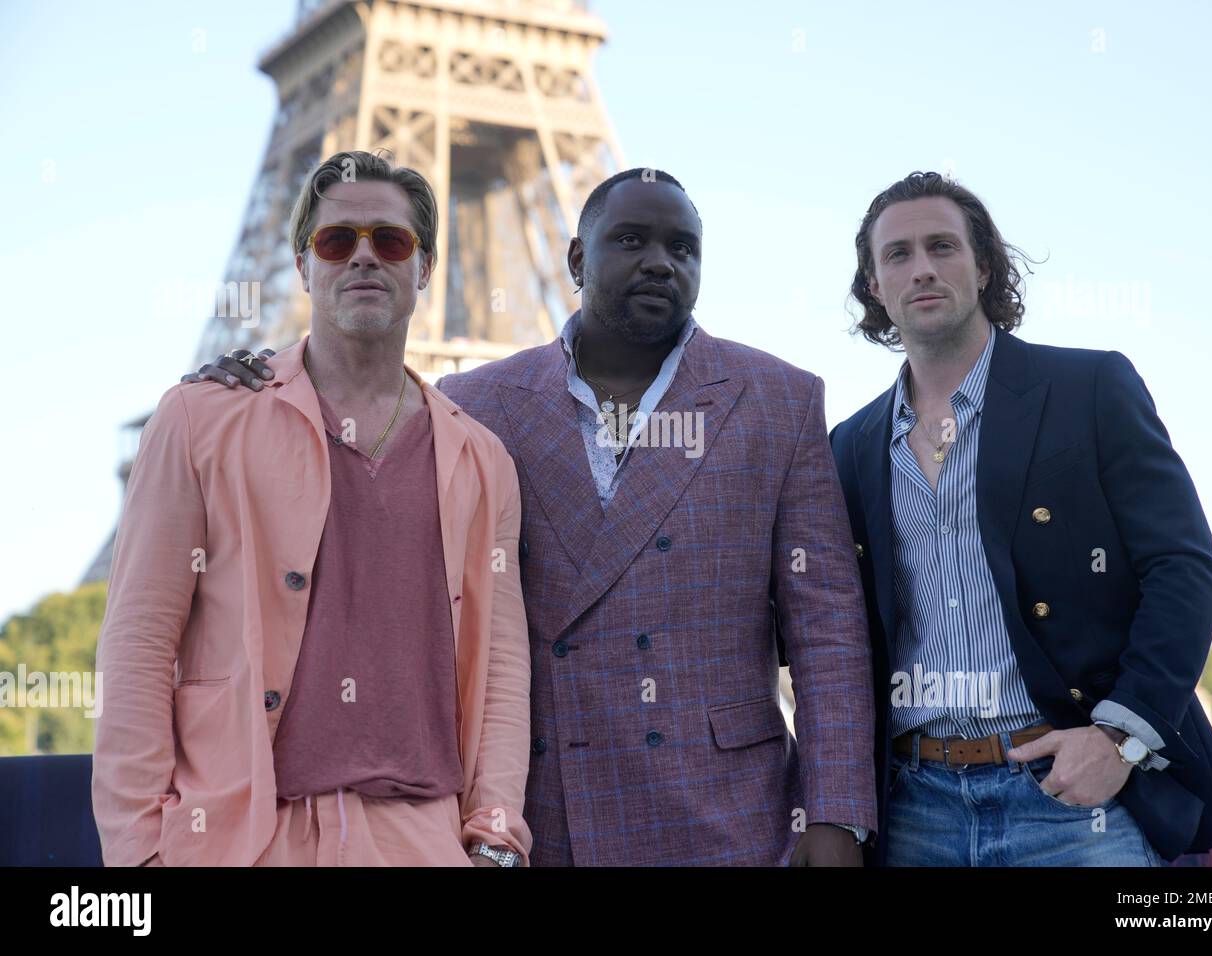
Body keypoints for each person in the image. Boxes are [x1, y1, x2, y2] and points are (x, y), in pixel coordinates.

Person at [191, 168, 878, 866]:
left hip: (735, 811)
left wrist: (837, 815)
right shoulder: (471, 404)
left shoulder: (780, 399)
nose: (660, 262)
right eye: (632, 240)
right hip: (543, 817)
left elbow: (828, 627)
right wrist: (260, 381)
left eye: (683, 247)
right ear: (577, 260)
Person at [94, 150, 532, 867]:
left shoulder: (482, 461)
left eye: (390, 241)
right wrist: (139, 853)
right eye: (337, 240)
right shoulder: (200, 421)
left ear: (423, 269)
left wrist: (493, 839)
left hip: (421, 839)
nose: (364, 257)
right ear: (302, 266)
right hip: (244, 837)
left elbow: (503, 668)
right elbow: (139, 645)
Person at [828, 170, 1212, 865]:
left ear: (986, 266)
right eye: (898, 255)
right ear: (874, 286)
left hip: (1071, 801)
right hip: (914, 813)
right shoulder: (847, 446)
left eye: (943, 246)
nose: (924, 268)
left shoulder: (1089, 388)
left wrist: (1119, 739)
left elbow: (1183, 568)